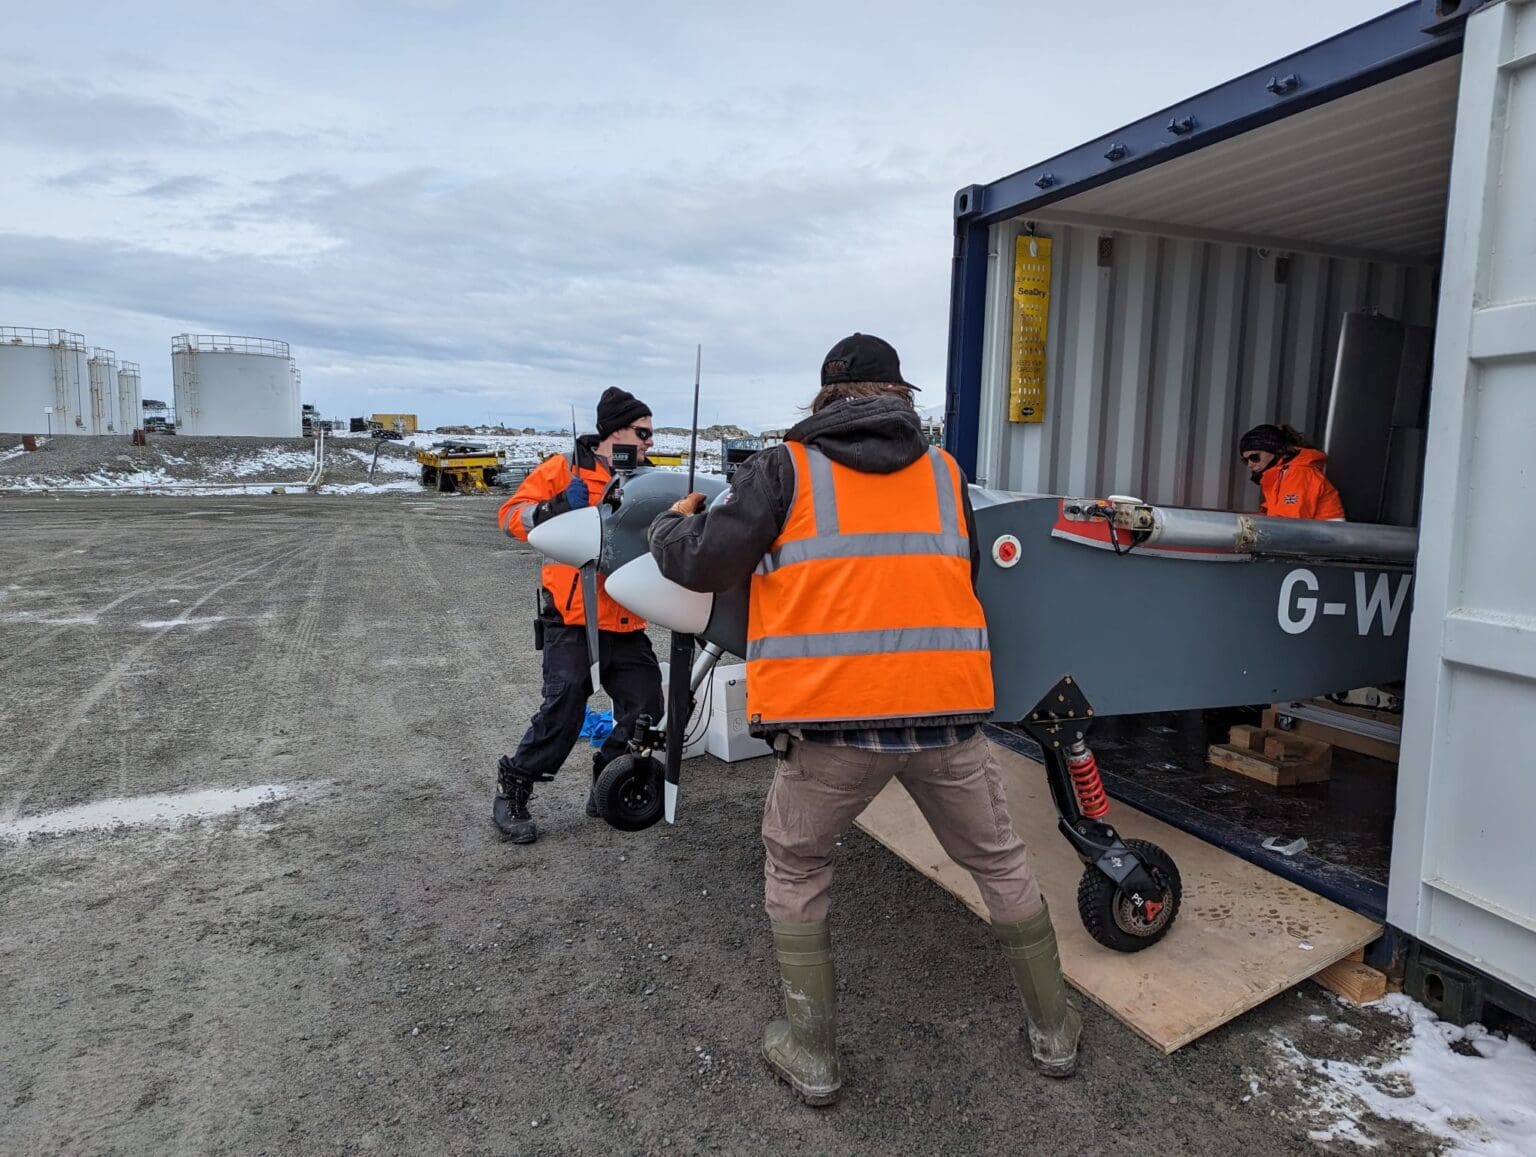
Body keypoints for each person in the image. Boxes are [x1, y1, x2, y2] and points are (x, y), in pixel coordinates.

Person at [648, 334, 1079, 1106]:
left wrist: (668, 525)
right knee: (1001, 862)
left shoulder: (783, 468)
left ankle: (812, 1053)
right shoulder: (946, 473)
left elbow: (703, 563)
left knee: (799, 865)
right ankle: (1056, 1031)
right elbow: (957, 576)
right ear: (899, 396)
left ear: (823, 398)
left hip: (831, 727)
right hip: (947, 718)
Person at [493, 387, 664, 844]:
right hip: (570, 619)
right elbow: (510, 517)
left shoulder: (649, 480)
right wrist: (553, 509)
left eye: (651, 435)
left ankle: (609, 775)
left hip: (627, 619)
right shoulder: (562, 470)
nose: (649, 443)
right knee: (564, 706)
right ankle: (514, 787)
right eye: (642, 433)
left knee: (648, 705)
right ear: (614, 431)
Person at [1239, 423, 1346, 520]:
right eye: (1245, 460)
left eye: (1254, 457)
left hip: (1328, 539)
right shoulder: (1280, 476)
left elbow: (1290, 526)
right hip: (1316, 537)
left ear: (1274, 450)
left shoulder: (1300, 473)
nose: (1250, 464)